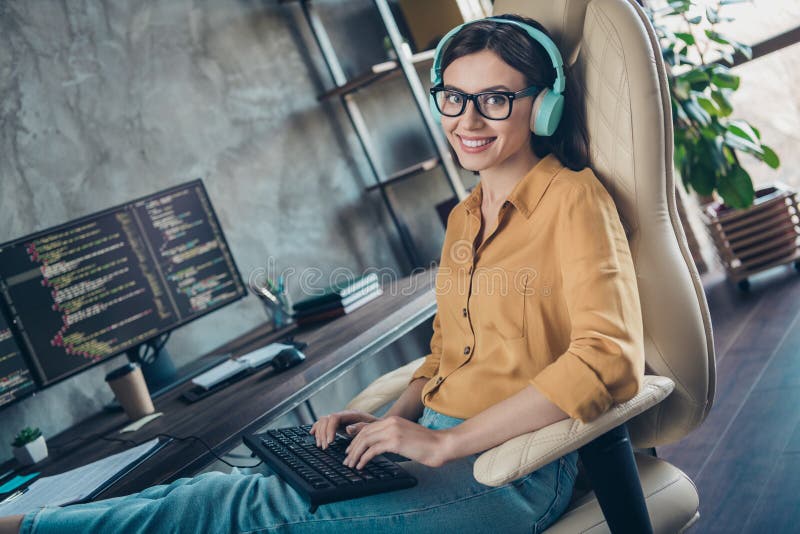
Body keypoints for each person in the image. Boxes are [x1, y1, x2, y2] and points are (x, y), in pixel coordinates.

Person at [0, 13, 644, 534]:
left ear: (544, 107)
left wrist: (447, 444)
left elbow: (608, 359)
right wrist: (391, 422)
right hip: (432, 440)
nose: (467, 121)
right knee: (223, 486)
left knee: (247, 511)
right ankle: (41, 519)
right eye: (453, 96)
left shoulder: (572, 199)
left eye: (496, 99)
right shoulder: (465, 218)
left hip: (516, 468)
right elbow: (445, 358)